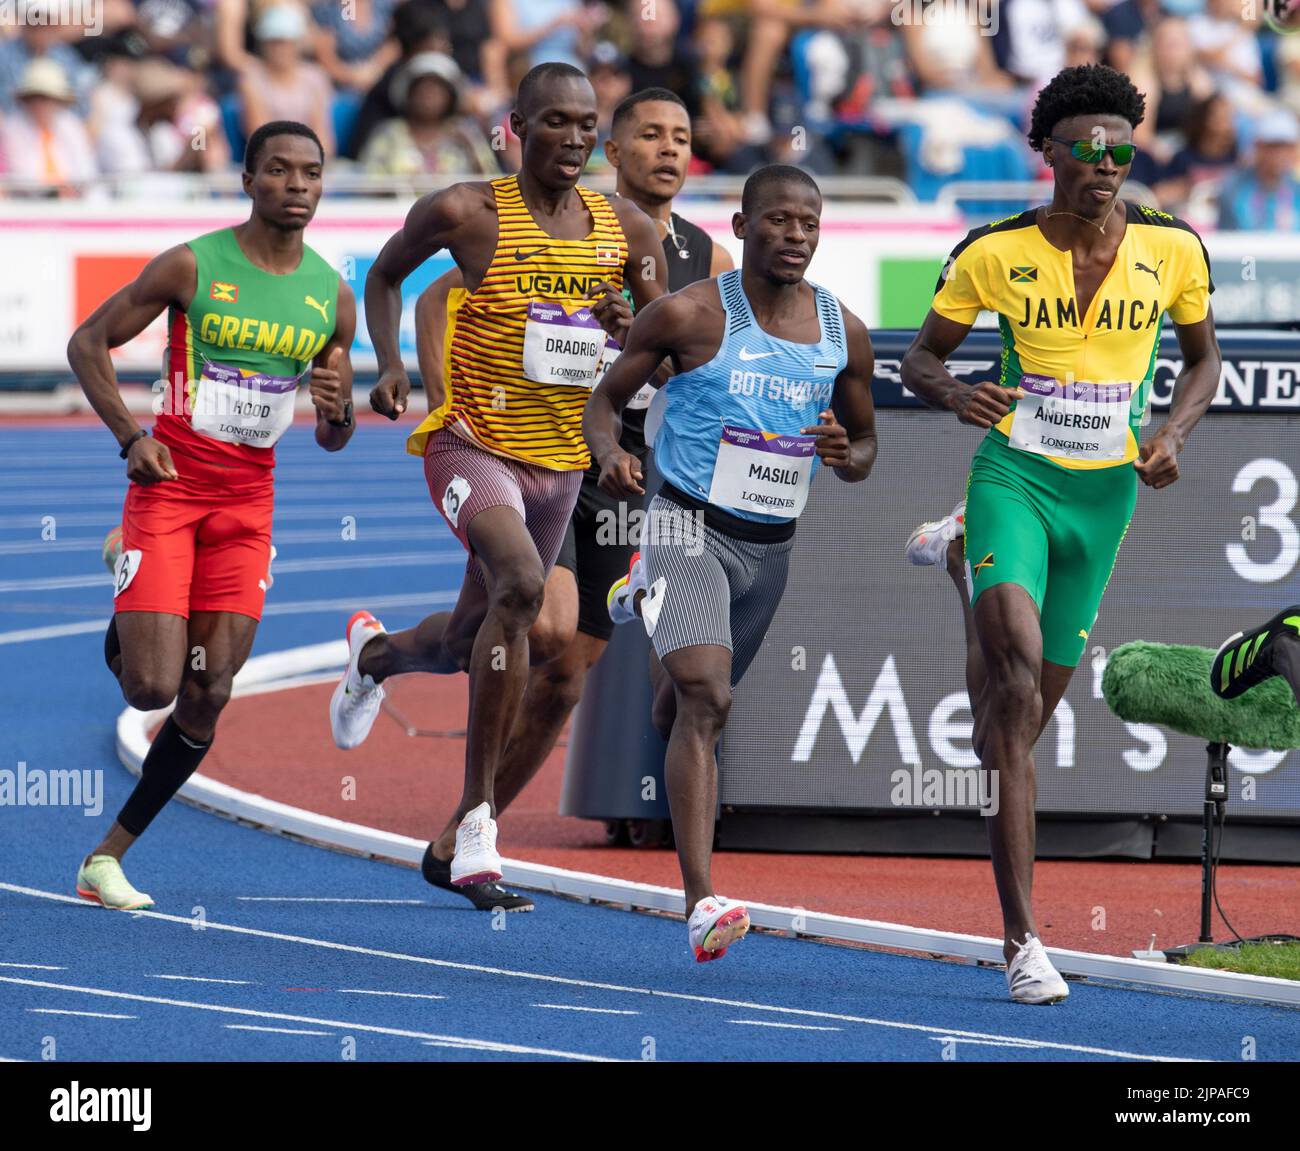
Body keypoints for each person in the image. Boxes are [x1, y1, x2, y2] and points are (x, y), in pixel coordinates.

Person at [899, 64, 1221, 1003]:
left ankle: (961, 560)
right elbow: (919, 357)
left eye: (1121, 148)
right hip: (1014, 476)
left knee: (1020, 725)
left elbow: (1203, 363)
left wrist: (1173, 434)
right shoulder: (993, 252)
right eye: (1086, 148)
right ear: (1047, 152)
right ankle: (1023, 940)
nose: (1106, 163)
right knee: (1008, 684)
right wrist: (957, 391)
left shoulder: (1174, 250)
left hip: (1105, 497)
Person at [328, 63, 667, 894]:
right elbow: (381, 273)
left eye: (587, 125)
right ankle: (476, 823)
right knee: (522, 586)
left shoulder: (628, 229)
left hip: (560, 463)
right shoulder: (466, 211)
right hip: (470, 444)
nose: (575, 139)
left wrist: (628, 327)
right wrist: (391, 365)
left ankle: (373, 657)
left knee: (466, 638)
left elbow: (651, 345)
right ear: (514, 127)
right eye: (555, 122)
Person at [405, 87, 732, 911]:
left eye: (681, 136)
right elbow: (438, 295)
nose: (667, 149)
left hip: (619, 468)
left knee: (561, 675)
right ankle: (475, 814)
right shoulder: (564, 215)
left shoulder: (706, 259)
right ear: (611, 153)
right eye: (647, 135)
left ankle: (457, 831)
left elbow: (689, 369)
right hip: (531, 447)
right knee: (535, 619)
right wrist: (448, 398)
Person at [585, 163, 877, 962]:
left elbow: (865, 449)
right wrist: (610, 453)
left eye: (809, 224)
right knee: (706, 697)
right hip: (685, 524)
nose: (795, 235)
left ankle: (642, 592)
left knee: (672, 714)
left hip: (770, 548)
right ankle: (701, 899)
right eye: (778, 220)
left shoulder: (843, 331)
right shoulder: (688, 315)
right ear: (744, 227)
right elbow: (605, 401)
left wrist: (847, 453)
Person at [68, 121, 356, 910]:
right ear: (248, 180)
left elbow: (333, 434)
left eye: (311, 173)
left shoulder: (332, 295)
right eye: (279, 171)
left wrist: (338, 414)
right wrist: (131, 436)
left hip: (247, 503)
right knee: (150, 686)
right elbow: (88, 342)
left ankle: (107, 856)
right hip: (168, 484)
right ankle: (127, 576)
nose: (297, 185)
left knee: (208, 689)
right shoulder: (193, 265)